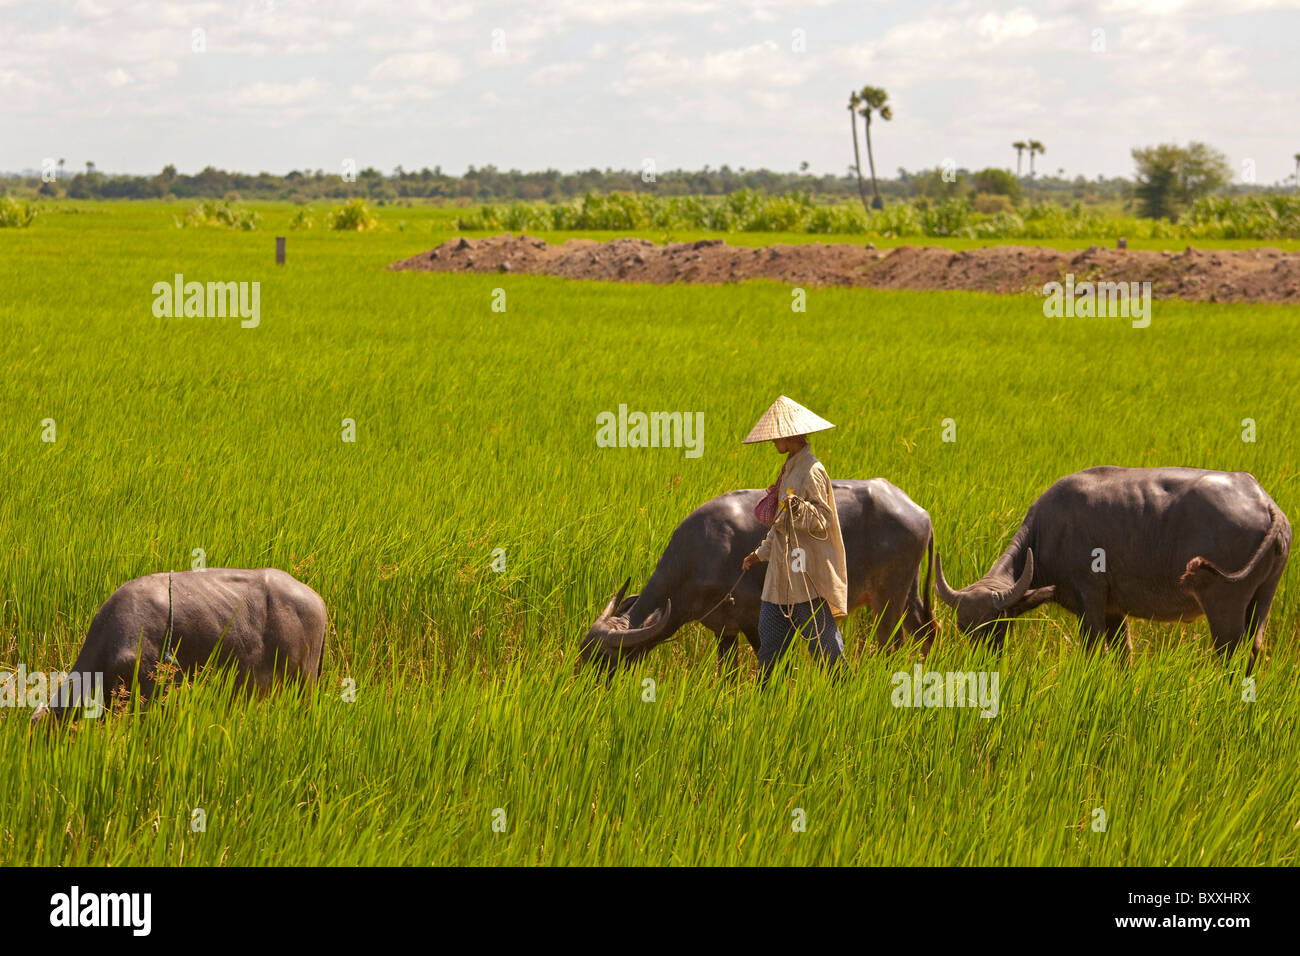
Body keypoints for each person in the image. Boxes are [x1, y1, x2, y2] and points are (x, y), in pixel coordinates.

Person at [740, 395, 849, 685]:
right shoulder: (789, 467)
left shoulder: (813, 470)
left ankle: (846, 692)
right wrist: (758, 554)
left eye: (777, 437)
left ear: (791, 435)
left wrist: (800, 507)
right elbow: (780, 523)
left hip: (803, 578)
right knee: (769, 647)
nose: (773, 442)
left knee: (825, 648)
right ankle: (769, 703)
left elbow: (823, 519)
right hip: (779, 577)